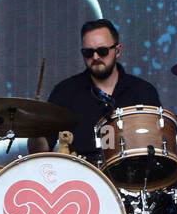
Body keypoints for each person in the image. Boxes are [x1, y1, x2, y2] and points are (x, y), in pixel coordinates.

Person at [30, 19, 160, 157]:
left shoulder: (143, 91)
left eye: (102, 51)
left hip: (135, 172)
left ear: (117, 51)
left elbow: (159, 142)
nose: (95, 57)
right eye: (88, 52)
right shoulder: (65, 91)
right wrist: (33, 130)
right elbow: (40, 151)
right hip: (80, 173)